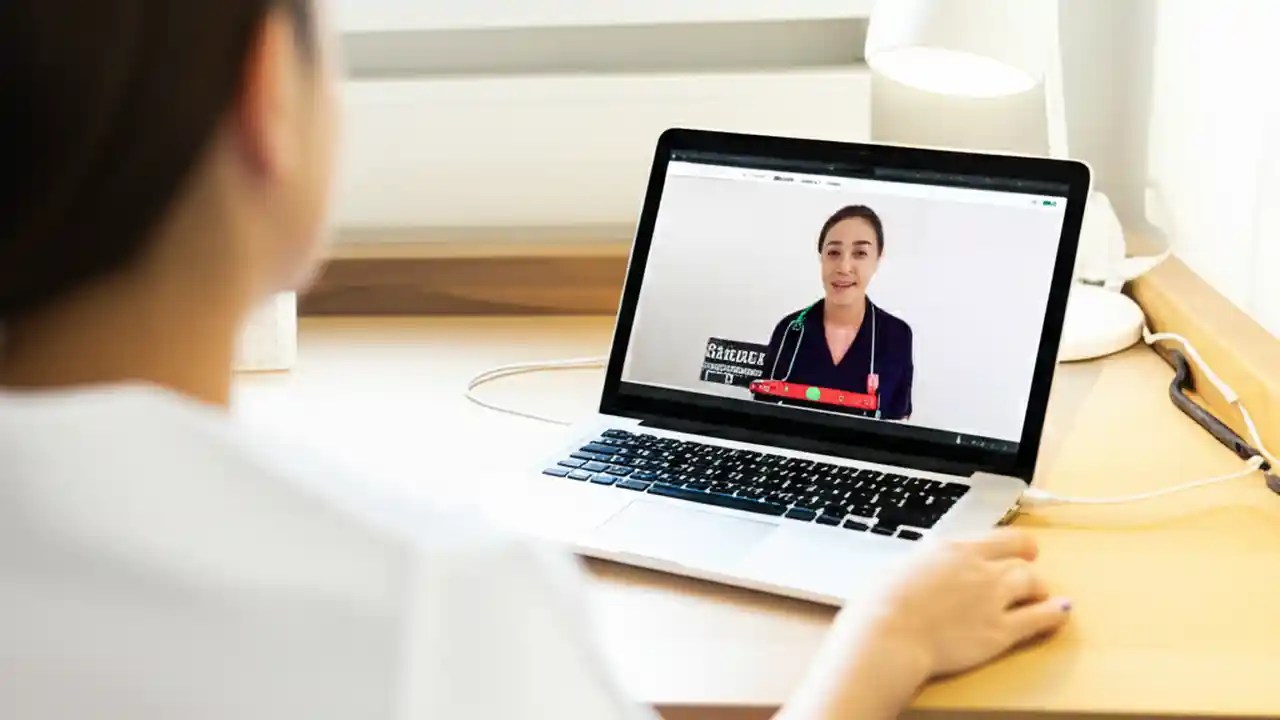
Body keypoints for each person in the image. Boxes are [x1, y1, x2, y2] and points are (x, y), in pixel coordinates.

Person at [0, 2, 1070, 718]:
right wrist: (875, 646)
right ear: (264, 96)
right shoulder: (440, 600)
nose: (843, 262)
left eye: (859, 249)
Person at [760, 206, 914, 421]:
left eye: (860, 253)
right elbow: (763, 416)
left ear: (877, 259)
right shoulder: (790, 329)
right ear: (821, 258)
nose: (844, 267)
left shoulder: (896, 336)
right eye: (833, 253)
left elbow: (898, 423)